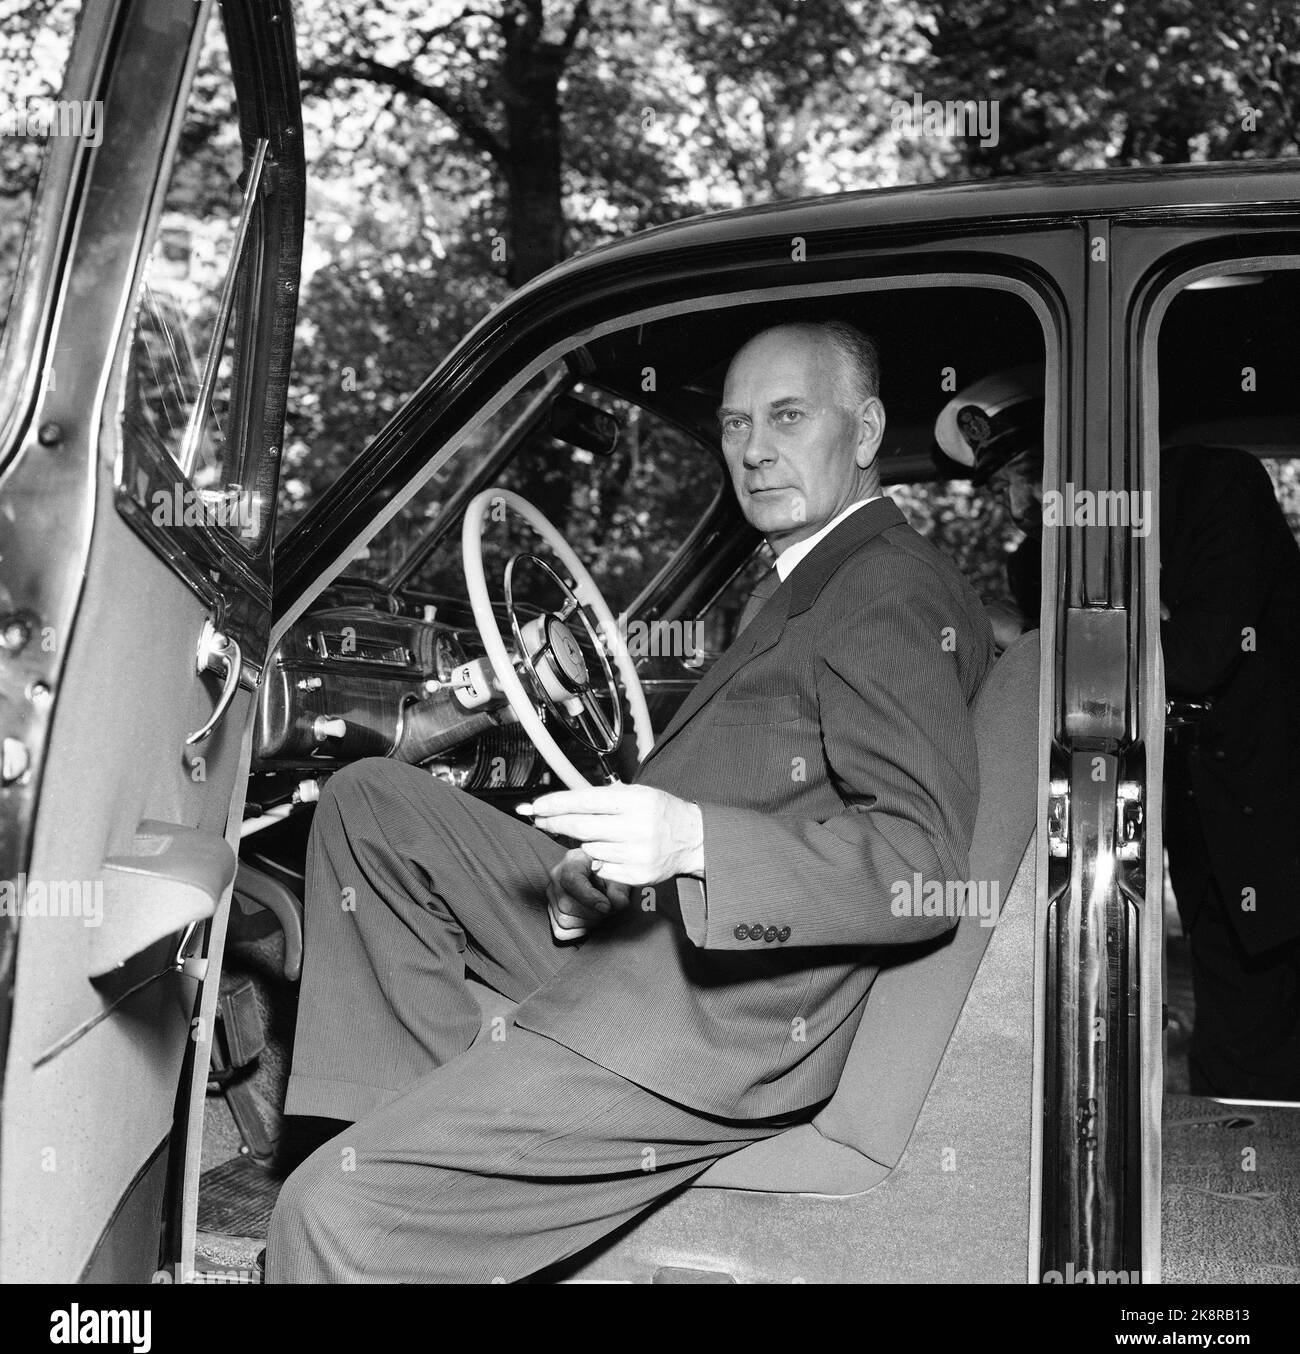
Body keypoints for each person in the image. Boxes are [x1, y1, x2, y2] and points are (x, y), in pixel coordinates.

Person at [266, 320, 995, 1282]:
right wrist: (601, 868)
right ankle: (425, 1147)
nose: (754, 449)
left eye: (787, 416)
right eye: (737, 423)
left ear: (864, 432)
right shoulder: (810, 576)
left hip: (720, 1013)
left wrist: (690, 840)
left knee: (329, 1211)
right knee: (373, 805)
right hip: (651, 936)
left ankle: (386, 1215)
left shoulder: (887, 591)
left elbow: (920, 864)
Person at [937, 370, 1300, 1101]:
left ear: (1089, 451)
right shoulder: (1037, 558)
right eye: (1001, 487)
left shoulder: (1213, 488)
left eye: (1029, 474)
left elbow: (1196, 658)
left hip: (1277, 824)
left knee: (1260, 1070)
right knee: (1233, 1074)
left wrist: (1036, 634)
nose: (1015, 506)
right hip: (1198, 853)